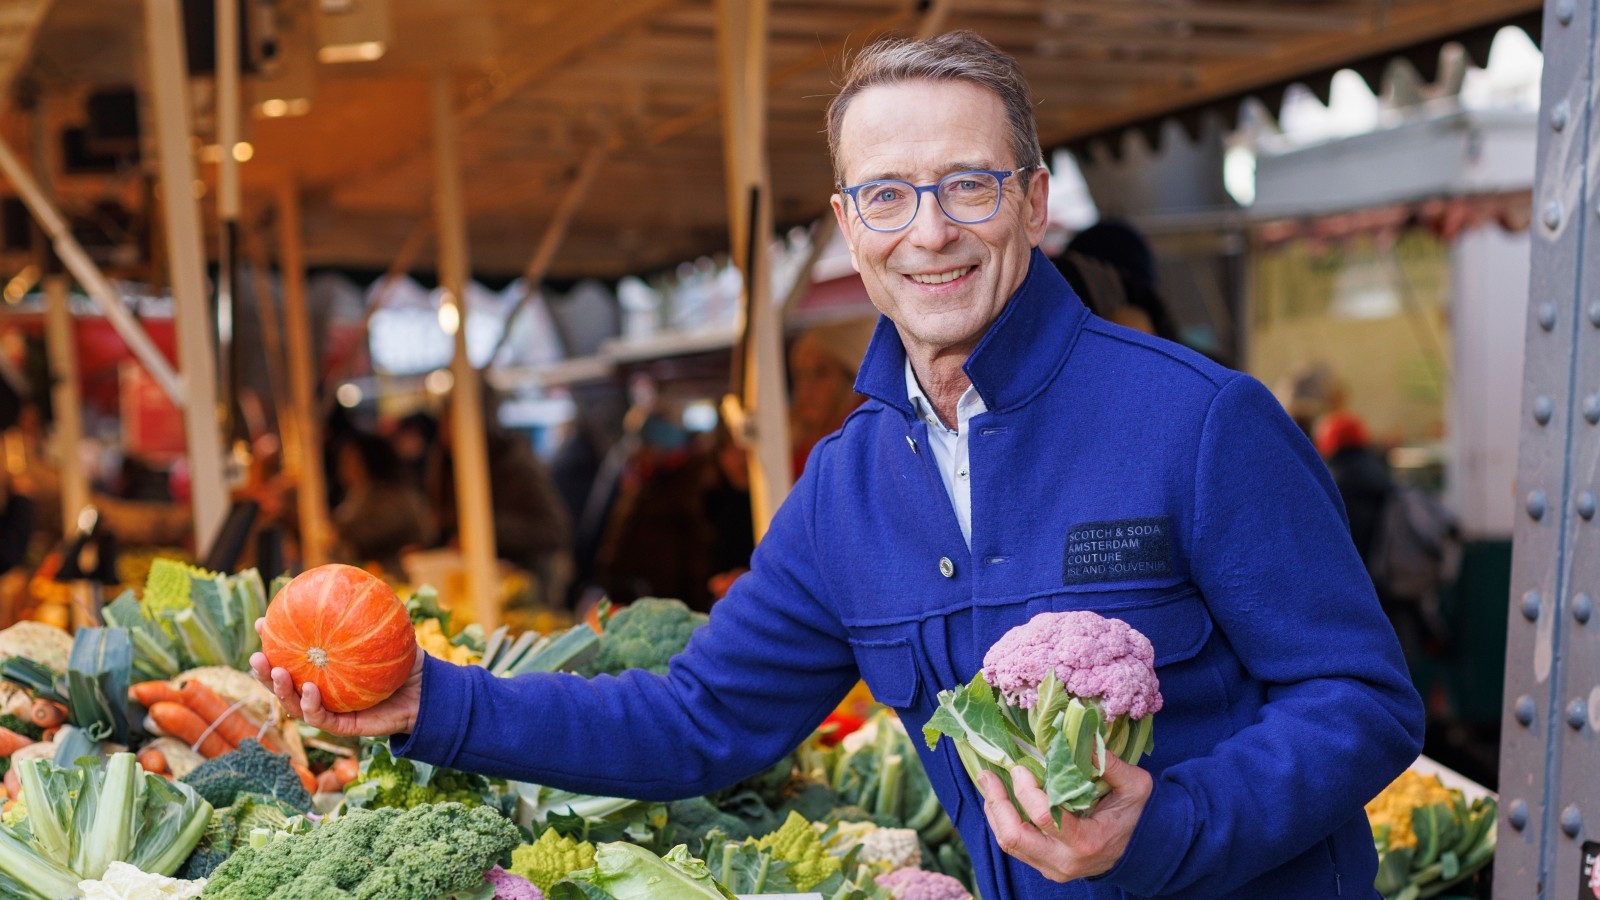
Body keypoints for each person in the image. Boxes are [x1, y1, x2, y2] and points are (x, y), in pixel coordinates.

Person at [256, 30, 1423, 899]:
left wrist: (1165, 825)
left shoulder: (1198, 420)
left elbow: (1363, 700)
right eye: (886, 196)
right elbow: (694, 722)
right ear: (847, 222)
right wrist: (431, 704)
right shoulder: (844, 491)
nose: (929, 232)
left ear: (1031, 200)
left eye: (968, 185)